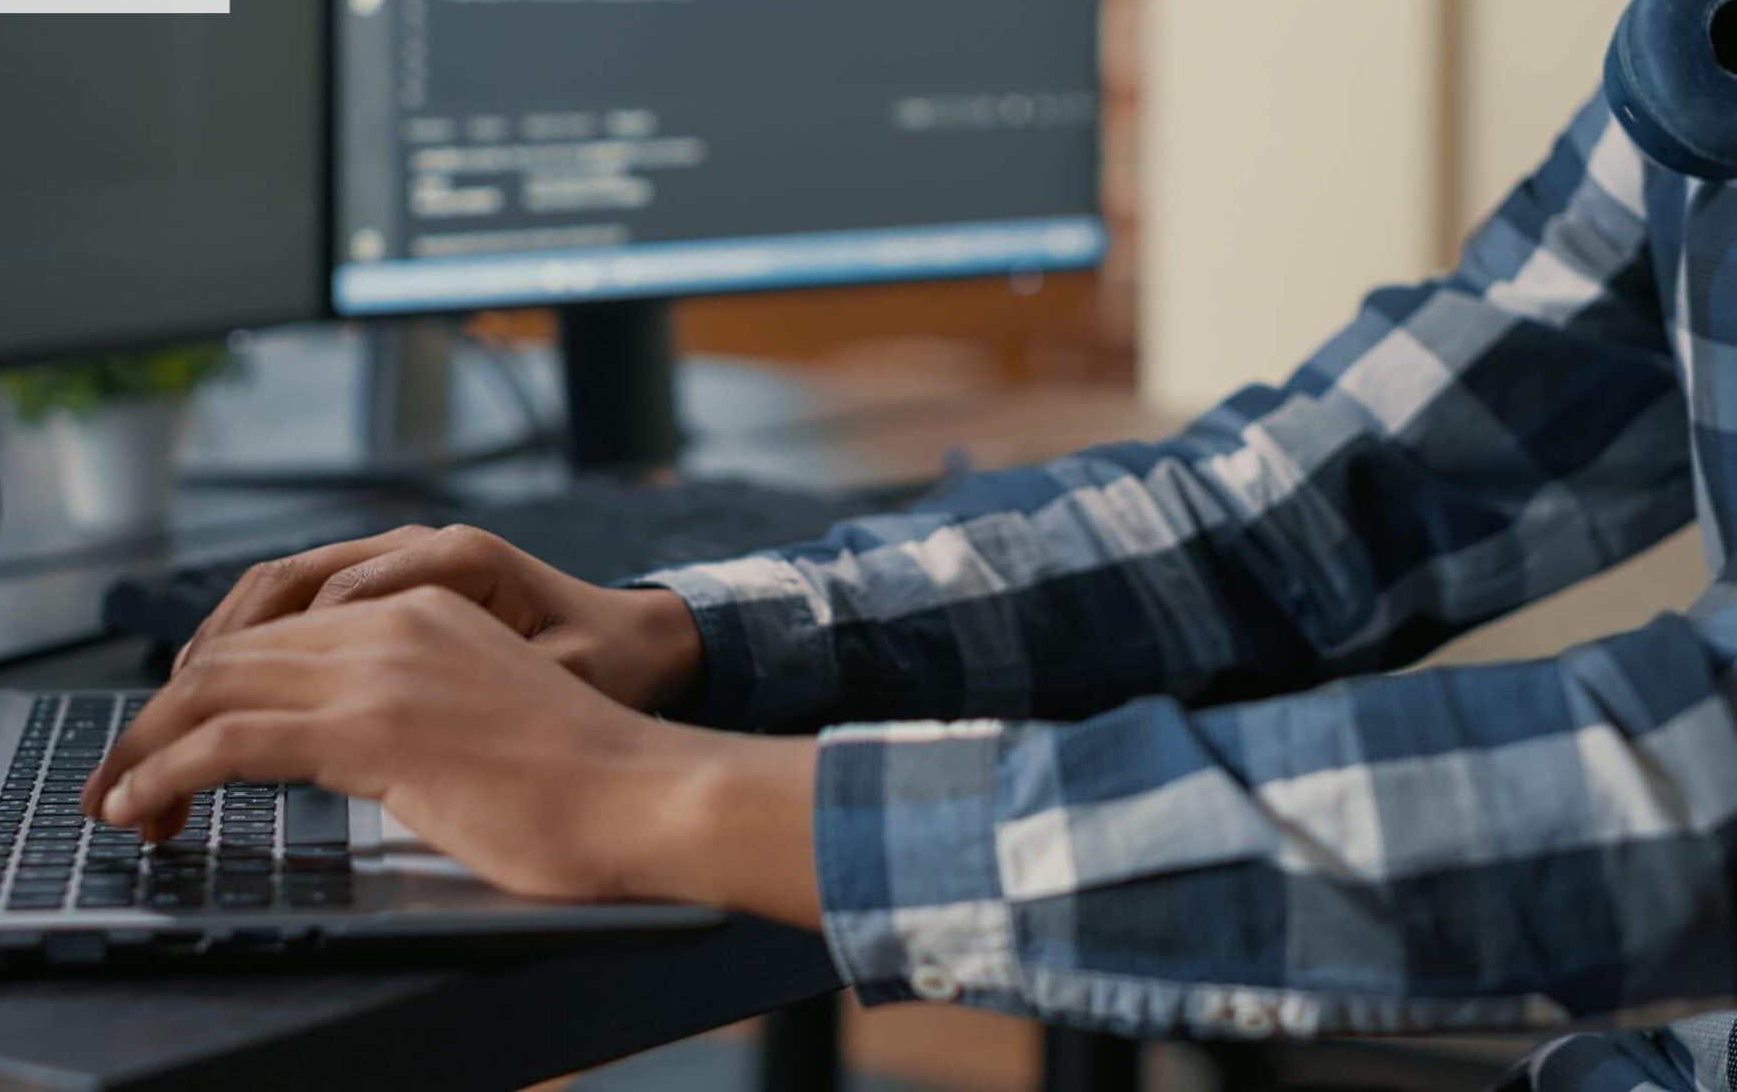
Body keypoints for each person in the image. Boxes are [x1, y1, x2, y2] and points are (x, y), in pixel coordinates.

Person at [83, 87, 1737, 1090]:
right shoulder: (1701, 54)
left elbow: (1694, 799)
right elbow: (1303, 509)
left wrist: (656, 800)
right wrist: (683, 635)